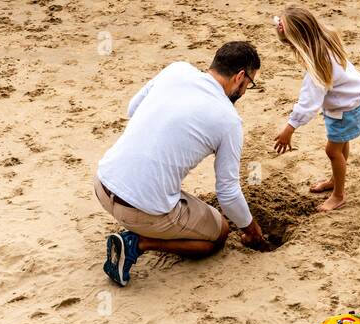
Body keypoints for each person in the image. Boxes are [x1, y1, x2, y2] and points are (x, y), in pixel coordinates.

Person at [94, 41, 269, 286]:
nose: (246, 90)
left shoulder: (177, 70)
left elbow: (132, 109)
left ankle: (143, 226)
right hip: (140, 210)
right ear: (240, 77)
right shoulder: (228, 120)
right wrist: (251, 231)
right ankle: (138, 243)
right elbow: (227, 193)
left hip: (102, 185)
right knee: (219, 233)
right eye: (250, 83)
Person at [272, 6, 360, 213]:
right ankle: (335, 180)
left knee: (332, 151)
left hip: (345, 109)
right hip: (351, 101)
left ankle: (339, 195)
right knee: (341, 145)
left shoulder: (318, 66)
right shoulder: (326, 38)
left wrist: (290, 128)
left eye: (290, 45)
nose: (291, 50)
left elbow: (308, 104)